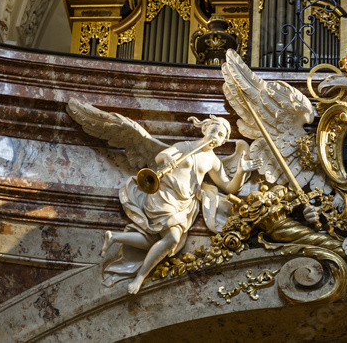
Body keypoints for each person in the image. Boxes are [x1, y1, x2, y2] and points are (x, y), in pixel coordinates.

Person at [101, 116, 259, 293]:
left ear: (223, 141)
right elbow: (162, 156)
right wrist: (167, 157)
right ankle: (140, 277)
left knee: (160, 241)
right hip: (165, 195)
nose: (215, 136)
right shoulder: (187, 146)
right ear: (205, 129)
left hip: (185, 203)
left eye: (220, 135)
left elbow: (229, 187)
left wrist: (240, 171)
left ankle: (114, 237)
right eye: (213, 130)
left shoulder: (213, 161)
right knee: (172, 239)